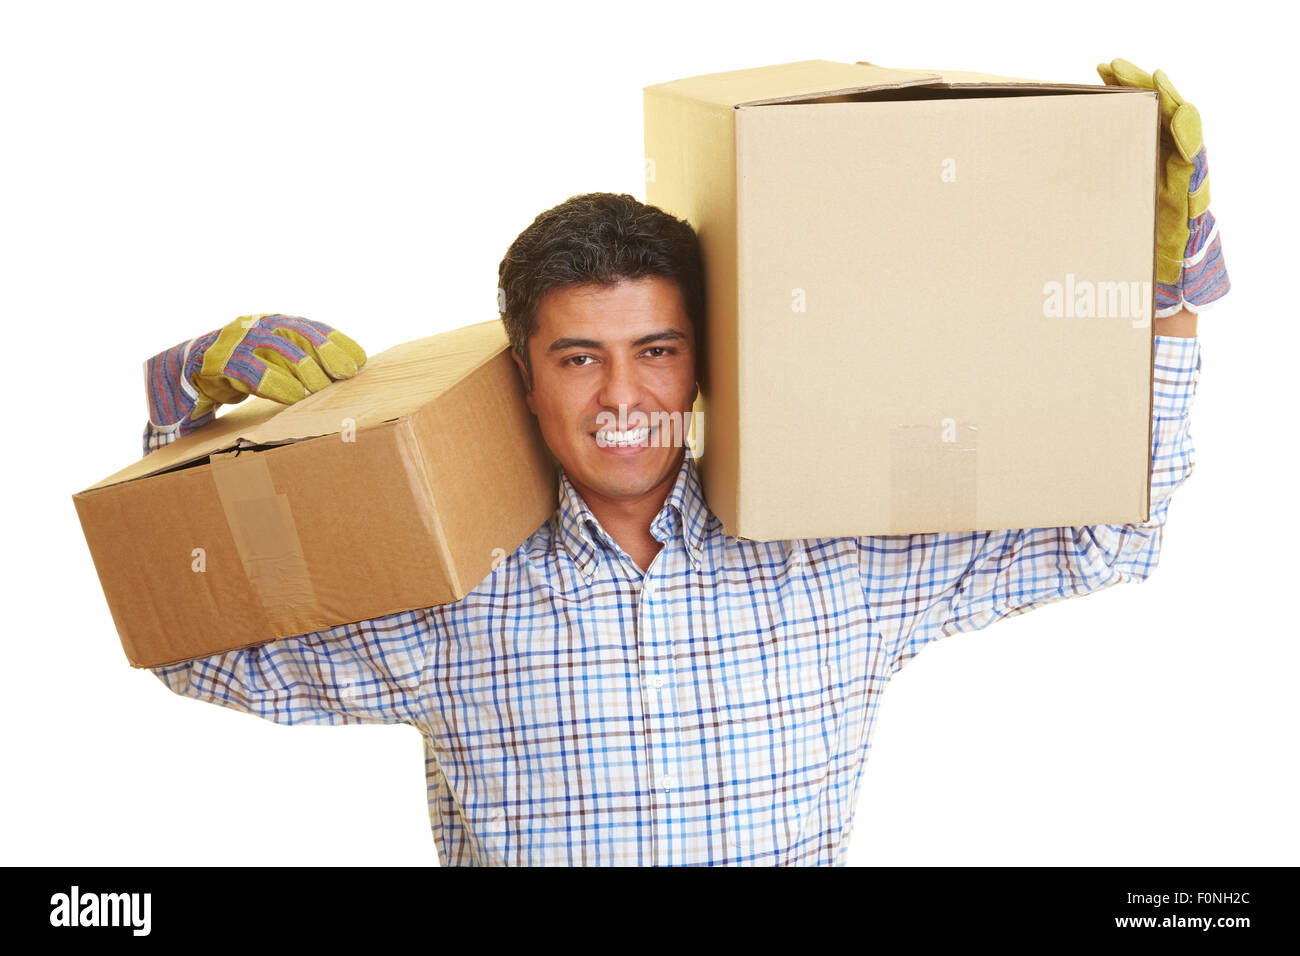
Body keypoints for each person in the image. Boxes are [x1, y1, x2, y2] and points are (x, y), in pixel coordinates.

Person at [138, 59, 1226, 866]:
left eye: (655, 351)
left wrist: (1164, 300)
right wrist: (183, 408)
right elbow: (199, 653)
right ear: (523, 376)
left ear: (706, 361)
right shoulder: (454, 592)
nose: (622, 398)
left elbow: (1107, 537)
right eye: (579, 358)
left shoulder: (834, 564)